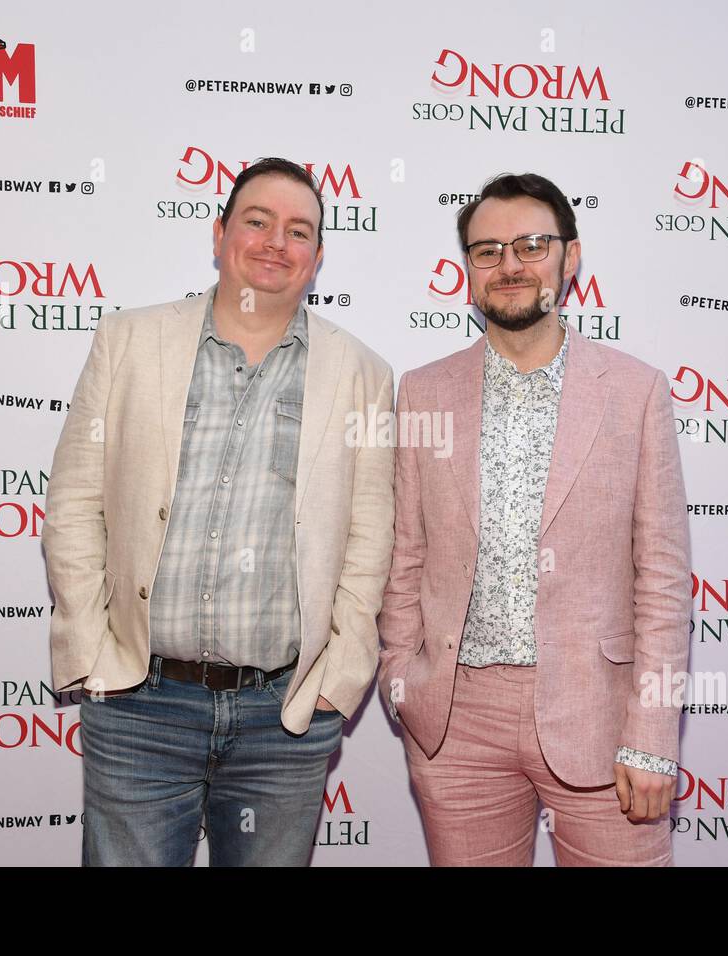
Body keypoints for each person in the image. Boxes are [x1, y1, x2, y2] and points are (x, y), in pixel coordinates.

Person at [42, 157, 395, 866]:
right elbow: (75, 501)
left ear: (318, 258)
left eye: (299, 231)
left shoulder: (363, 374)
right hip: (140, 703)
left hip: (283, 719)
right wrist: (90, 645)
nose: (275, 242)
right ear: (219, 233)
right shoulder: (130, 342)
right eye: (257, 221)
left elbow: (369, 537)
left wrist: (341, 675)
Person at [378, 172, 691, 866]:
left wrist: (651, 731)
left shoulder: (636, 392)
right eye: (488, 251)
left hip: (603, 717)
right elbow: (406, 555)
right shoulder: (423, 391)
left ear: (569, 257)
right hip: (457, 724)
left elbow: (663, 580)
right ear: (467, 269)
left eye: (531, 245)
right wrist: (405, 681)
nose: (510, 265)